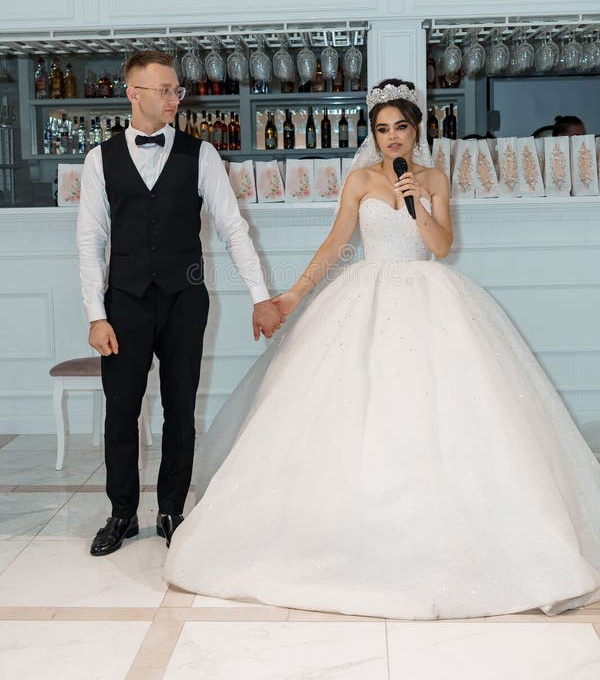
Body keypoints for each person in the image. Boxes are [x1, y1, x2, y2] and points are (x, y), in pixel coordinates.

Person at [165, 79, 600, 620]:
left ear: (416, 130)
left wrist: (418, 203)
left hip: (429, 295)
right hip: (364, 294)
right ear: (373, 135)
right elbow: (336, 243)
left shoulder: (436, 179)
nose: (392, 137)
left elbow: (442, 247)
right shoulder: (361, 180)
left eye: (400, 127)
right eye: (382, 128)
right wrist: (292, 297)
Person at [77, 49, 283, 557]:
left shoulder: (202, 154)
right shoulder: (99, 159)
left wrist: (260, 296)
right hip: (122, 304)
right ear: (134, 94)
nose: (174, 98)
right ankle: (121, 512)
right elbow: (89, 241)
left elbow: (233, 227)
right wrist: (95, 315)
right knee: (121, 412)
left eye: (176, 90)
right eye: (164, 89)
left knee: (179, 409)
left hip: (184, 301)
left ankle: (172, 508)